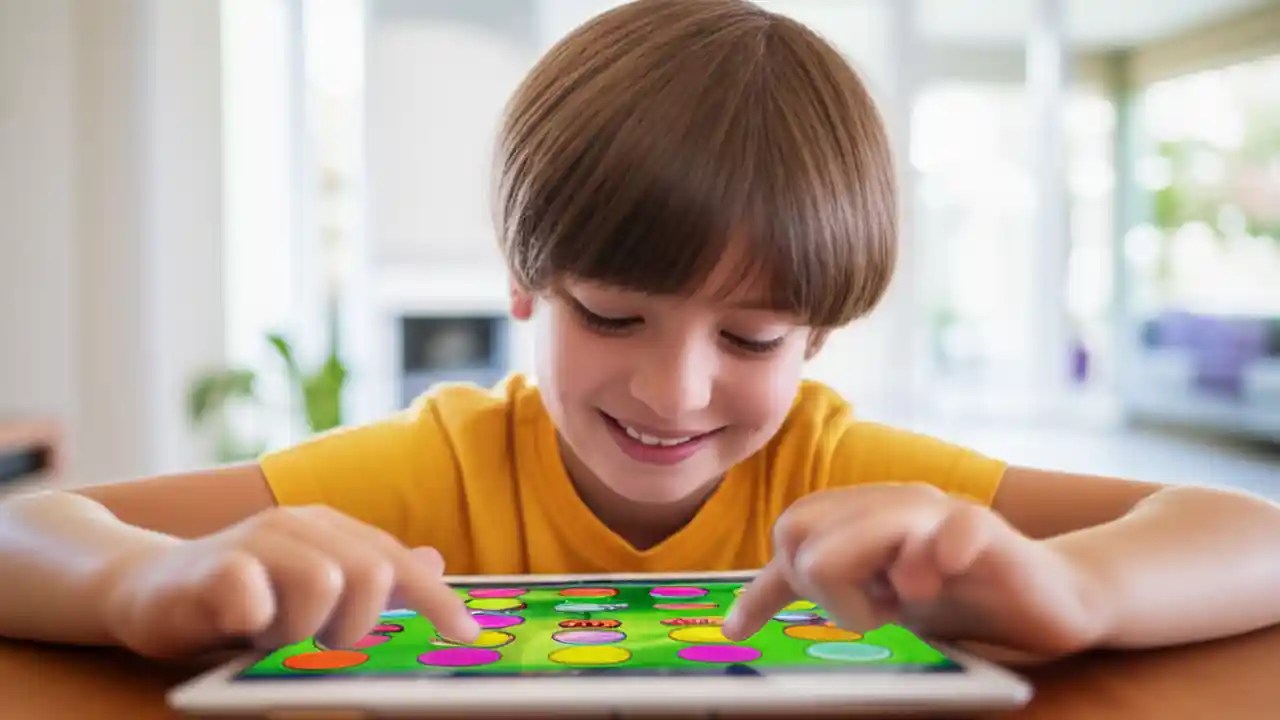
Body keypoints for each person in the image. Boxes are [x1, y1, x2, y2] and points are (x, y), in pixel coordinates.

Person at [1, 0, 1277, 663]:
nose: (674, 391)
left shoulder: (842, 476)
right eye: (613, 314)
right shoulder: (435, 469)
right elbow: (22, 529)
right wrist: (137, 584)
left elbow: (1249, 535)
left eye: (754, 336)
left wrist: (1074, 588)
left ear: (818, 336)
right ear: (524, 281)